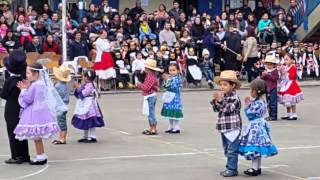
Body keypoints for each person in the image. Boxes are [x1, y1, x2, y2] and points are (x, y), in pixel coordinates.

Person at [14, 62, 66, 165]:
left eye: (28, 73)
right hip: (42, 112)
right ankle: (41, 155)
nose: (26, 75)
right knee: (37, 137)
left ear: (36, 74)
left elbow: (28, 99)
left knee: (36, 137)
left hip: (35, 113)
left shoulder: (35, 86)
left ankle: (40, 156)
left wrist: (23, 90)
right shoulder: (42, 84)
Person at [239, 78, 278, 176]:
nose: (250, 92)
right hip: (259, 125)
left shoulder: (258, 103)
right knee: (258, 148)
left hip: (255, 127)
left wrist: (248, 106)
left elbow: (250, 114)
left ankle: (254, 168)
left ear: (256, 91)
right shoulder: (260, 101)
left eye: (252, 90)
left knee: (255, 148)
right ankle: (257, 167)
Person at [0, 50, 30, 164]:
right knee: (21, 131)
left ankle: (16, 156)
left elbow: (3, 95)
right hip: (22, 109)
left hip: (12, 109)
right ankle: (24, 155)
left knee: (12, 131)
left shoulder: (10, 81)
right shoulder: (23, 79)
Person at [211, 70, 242, 177]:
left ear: (232, 85)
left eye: (225, 85)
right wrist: (216, 101)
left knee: (232, 149)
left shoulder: (234, 98)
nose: (222, 87)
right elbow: (216, 109)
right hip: (224, 126)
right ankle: (229, 165)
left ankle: (232, 169)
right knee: (226, 149)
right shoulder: (223, 96)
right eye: (221, 85)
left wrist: (220, 101)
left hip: (233, 127)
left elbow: (228, 108)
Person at [72, 69, 105, 143]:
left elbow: (84, 93)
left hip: (89, 104)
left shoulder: (90, 84)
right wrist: (79, 88)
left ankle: (92, 136)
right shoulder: (88, 84)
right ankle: (86, 136)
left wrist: (78, 88)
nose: (83, 78)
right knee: (85, 119)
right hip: (85, 103)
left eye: (84, 76)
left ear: (87, 77)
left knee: (91, 119)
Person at [137, 59, 161, 135]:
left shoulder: (151, 77)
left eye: (146, 68)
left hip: (150, 96)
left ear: (149, 69)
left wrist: (139, 85)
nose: (145, 69)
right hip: (150, 96)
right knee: (149, 112)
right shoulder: (150, 76)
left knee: (151, 113)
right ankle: (151, 127)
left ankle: (153, 128)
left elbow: (146, 88)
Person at [278, 53, 304, 120]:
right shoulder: (285, 67)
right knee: (287, 100)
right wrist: (281, 71)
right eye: (284, 59)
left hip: (291, 85)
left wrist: (285, 72)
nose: (285, 61)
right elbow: (282, 76)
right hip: (285, 84)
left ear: (292, 60)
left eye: (287, 59)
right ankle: (288, 113)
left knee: (292, 100)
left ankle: (294, 114)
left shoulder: (293, 67)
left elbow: (292, 76)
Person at [161, 63, 183, 134]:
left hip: (175, 97)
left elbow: (174, 86)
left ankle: (176, 127)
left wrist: (167, 80)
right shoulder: (169, 77)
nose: (172, 72)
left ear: (178, 71)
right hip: (168, 96)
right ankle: (170, 126)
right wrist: (166, 80)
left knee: (175, 111)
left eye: (174, 70)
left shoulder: (178, 78)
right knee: (169, 111)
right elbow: (164, 85)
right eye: (170, 70)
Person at [52, 65, 72, 144]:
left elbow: (54, 94)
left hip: (60, 106)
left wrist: (52, 86)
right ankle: (61, 137)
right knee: (61, 121)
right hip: (64, 105)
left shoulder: (58, 86)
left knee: (61, 122)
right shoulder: (65, 84)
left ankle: (62, 138)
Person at [261, 55, 279, 121]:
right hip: (267, 88)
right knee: (268, 102)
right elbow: (263, 79)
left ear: (274, 65)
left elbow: (275, 78)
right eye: (268, 64)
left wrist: (267, 75)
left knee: (273, 103)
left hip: (273, 88)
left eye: (271, 64)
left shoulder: (275, 71)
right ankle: (270, 115)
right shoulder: (266, 70)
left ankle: (274, 116)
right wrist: (263, 75)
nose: (269, 66)